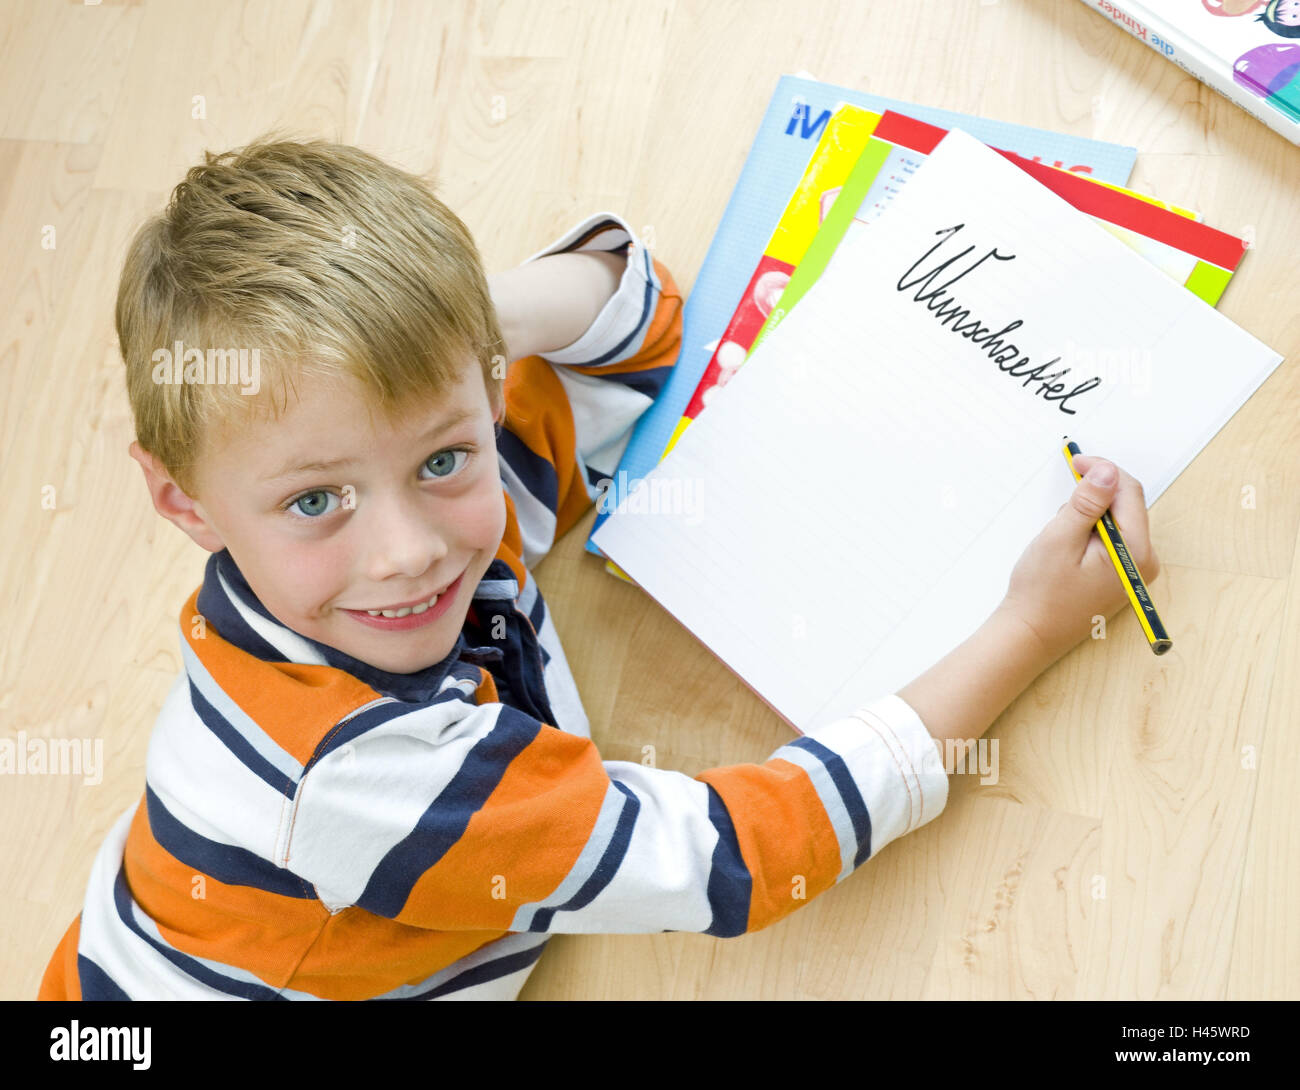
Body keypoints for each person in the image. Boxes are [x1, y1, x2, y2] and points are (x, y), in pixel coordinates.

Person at [37, 134, 1158, 1000]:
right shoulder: (369, 777)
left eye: (442, 454)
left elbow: (639, 319)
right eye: (316, 501)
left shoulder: (424, 511)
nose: (409, 547)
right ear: (183, 503)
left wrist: (458, 333)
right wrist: (1029, 629)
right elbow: (736, 859)